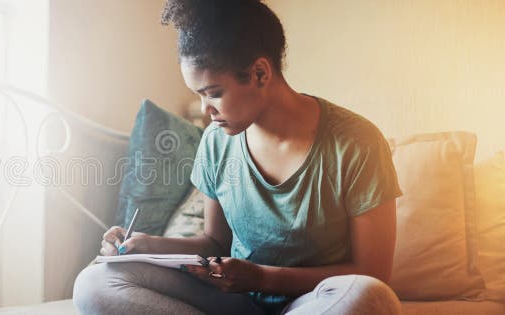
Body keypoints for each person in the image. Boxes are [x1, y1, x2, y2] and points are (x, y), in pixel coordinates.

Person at [73, 0, 403, 314]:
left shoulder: (356, 143)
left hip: (315, 302)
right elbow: (216, 242)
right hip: (235, 302)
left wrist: (261, 277)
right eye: (198, 96)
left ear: (260, 73)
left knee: (371, 297)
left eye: (214, 93)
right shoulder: (217, 143)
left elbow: (372, 273)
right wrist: (147, 245)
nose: (205, 111)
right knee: (94, 283)